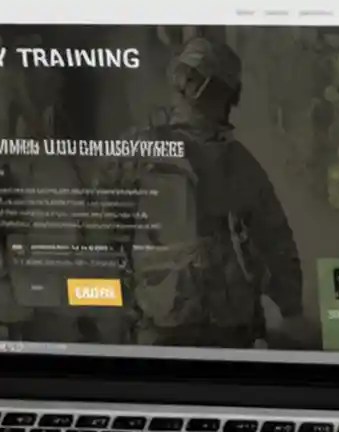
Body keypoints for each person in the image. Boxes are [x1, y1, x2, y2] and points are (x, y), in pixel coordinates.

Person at [98, 37, 306, 349]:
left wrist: (290, 307)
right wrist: (114, 308)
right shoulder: (140, 152)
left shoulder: (239, 162)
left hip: (227, 321)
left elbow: (274, 238)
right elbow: (104, 229)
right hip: (165, 318)